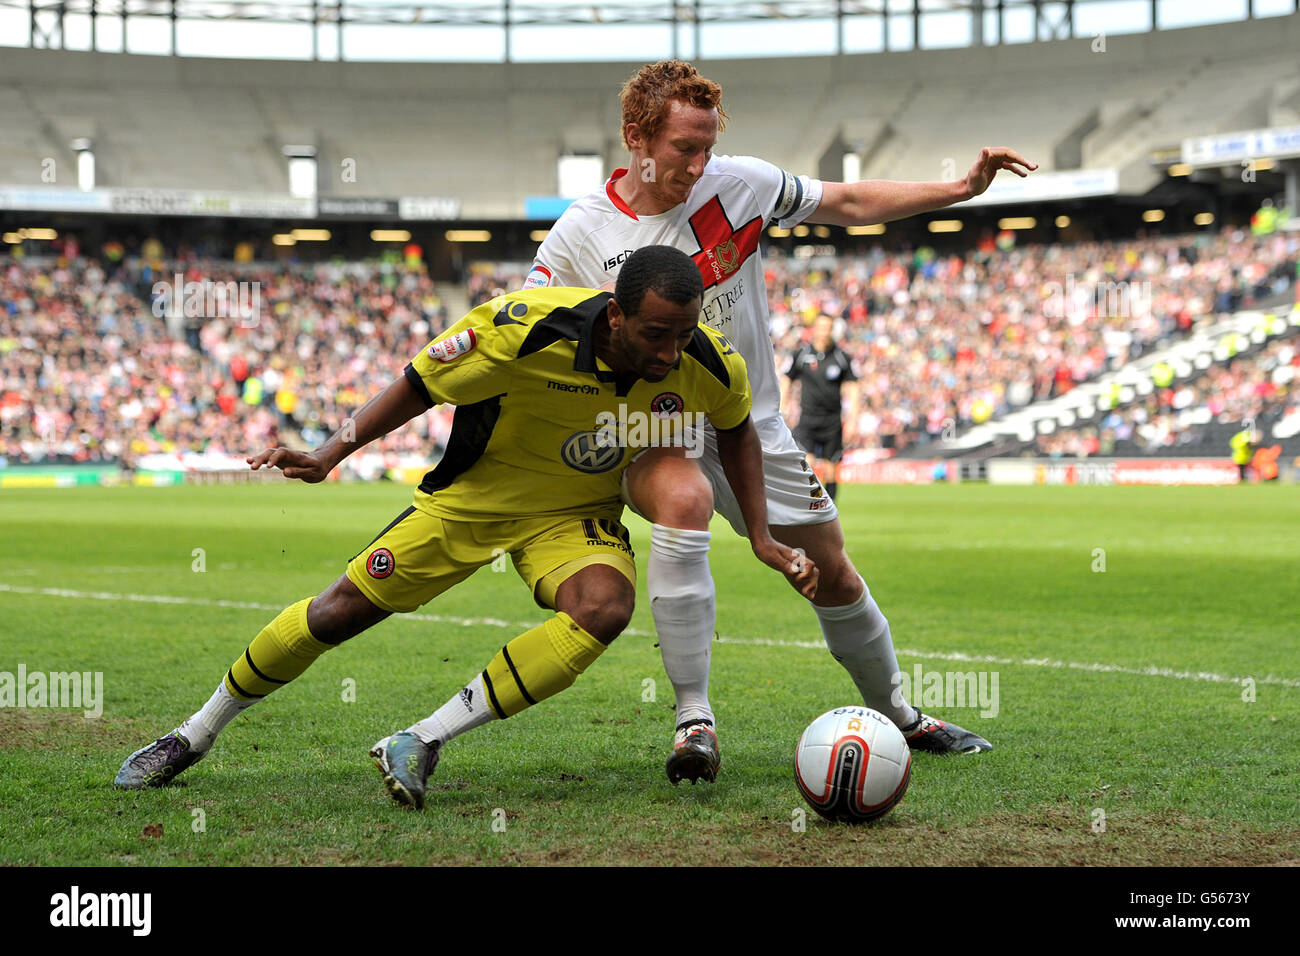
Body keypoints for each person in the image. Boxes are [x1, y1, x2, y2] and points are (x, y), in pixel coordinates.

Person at [114, 245, 817, 808]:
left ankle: (421, 739)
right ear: (612, 317)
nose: (669, 353)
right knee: (335, 614)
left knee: (604, 607)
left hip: (573, 517)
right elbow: (417, 384)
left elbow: (738, 434)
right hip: (470, 503)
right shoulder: (517, 326)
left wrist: (759, 535)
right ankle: (194, 734)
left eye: (683, 334)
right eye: (655, 335)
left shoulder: (706, 361)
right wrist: (332, 452)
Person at [527, 60, 1032, 776]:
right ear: (636, 136)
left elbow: (850, 201)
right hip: (657, 426)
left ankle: (901, 716)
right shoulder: (582, 233)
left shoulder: (743, 186)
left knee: (833, 575)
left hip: (754, 426)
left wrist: (959, 188)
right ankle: (693, 723)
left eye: (707, 147)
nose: (699, 165)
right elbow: (525, 327)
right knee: (683, 503)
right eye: (683, 149)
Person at [781, 314, 860, 501]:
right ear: (814, 329)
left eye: (828, 327)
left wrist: (853, 420)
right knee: (806, 465)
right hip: (808, 418)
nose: (824, 331)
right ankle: (809, 505)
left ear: (832, 330)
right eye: (821, 327)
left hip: (832, 421)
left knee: (831, 469)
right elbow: (787, 379)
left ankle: (830, 512)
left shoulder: (842, 358)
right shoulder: (801, 355)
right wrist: (783, 406)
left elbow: (853, 388)